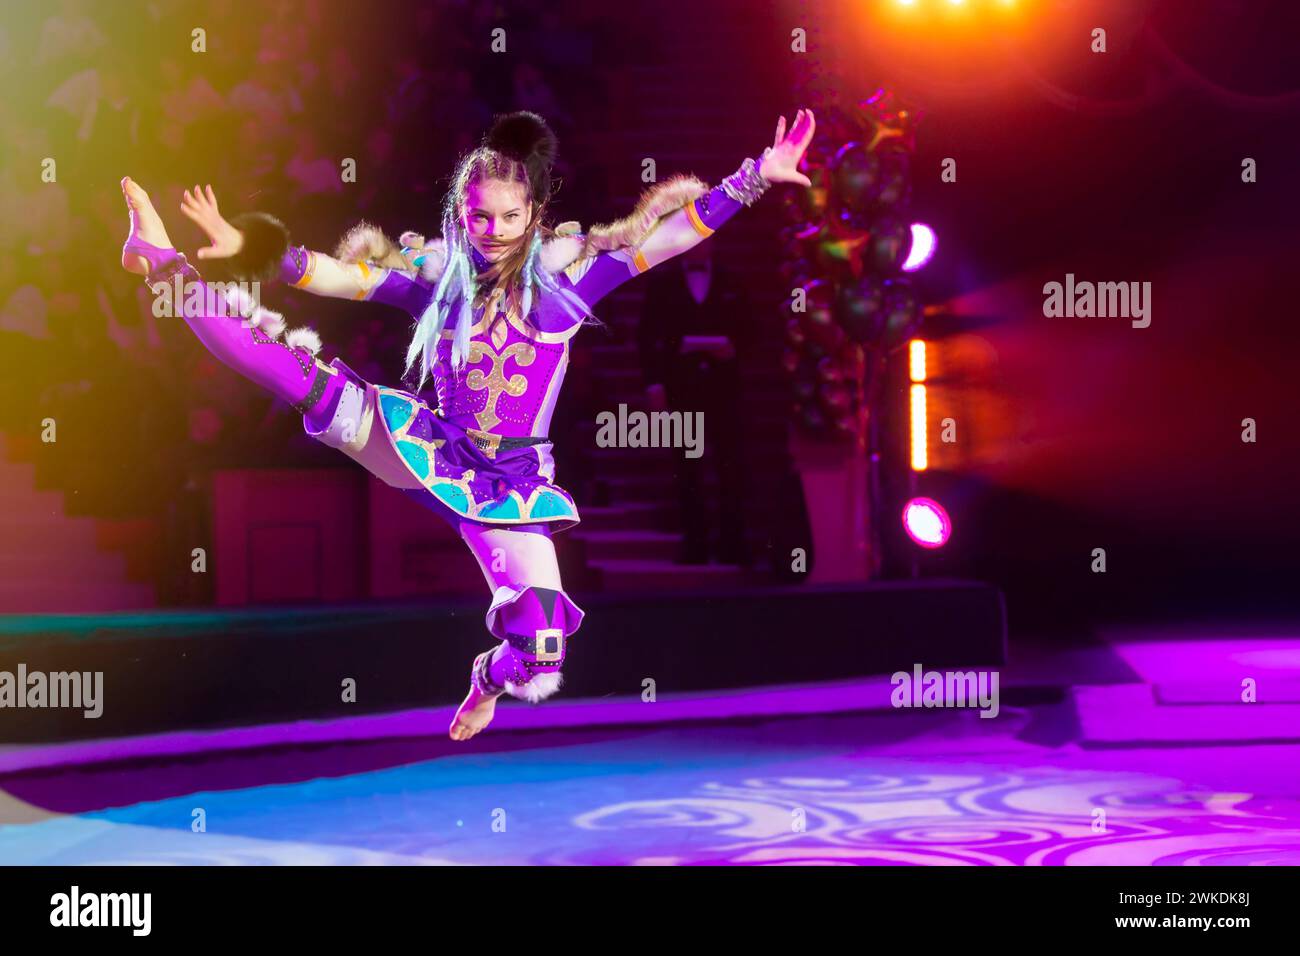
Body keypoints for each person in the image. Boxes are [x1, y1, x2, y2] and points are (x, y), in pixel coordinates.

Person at [118, 108, 815, 741]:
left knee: (542, 652)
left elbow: (666, 238)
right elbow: (335, 275)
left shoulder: (568, 289)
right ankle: (160, 261)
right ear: (461, 213)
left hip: (509, 485)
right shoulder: (437, 285)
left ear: (534, 215)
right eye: (480, 218)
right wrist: (253, 249)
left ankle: (484, 680)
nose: (494, 233)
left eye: (510, 219)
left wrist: (756, 176)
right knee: (284, 369)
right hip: (425, 448)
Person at [639, 240, 753, 565]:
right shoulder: (663, 283)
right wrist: (654, 385)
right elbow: (647, 336)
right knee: (688, 469)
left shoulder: (732, 280)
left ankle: (733, 544)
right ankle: (695, 545)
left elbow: (752, 327)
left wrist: (733, 347)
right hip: (682, 389)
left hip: (724, 389)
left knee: (730, 466)